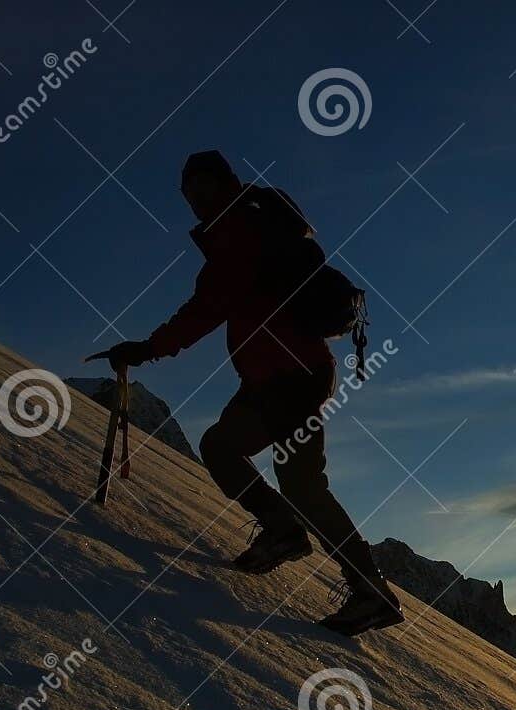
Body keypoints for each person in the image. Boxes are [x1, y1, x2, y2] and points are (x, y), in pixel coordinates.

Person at [96, 151, 402, 637]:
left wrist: (146, 349)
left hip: (292, 376)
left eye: (203, 188)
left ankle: (370, 590)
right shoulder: (248, 228)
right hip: (273, 378)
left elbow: (203, 310)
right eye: (189, 194)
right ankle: (284, 532)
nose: (196, 201)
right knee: (223, 447)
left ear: (227, 184)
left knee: (300, 483)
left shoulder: (239, 233)